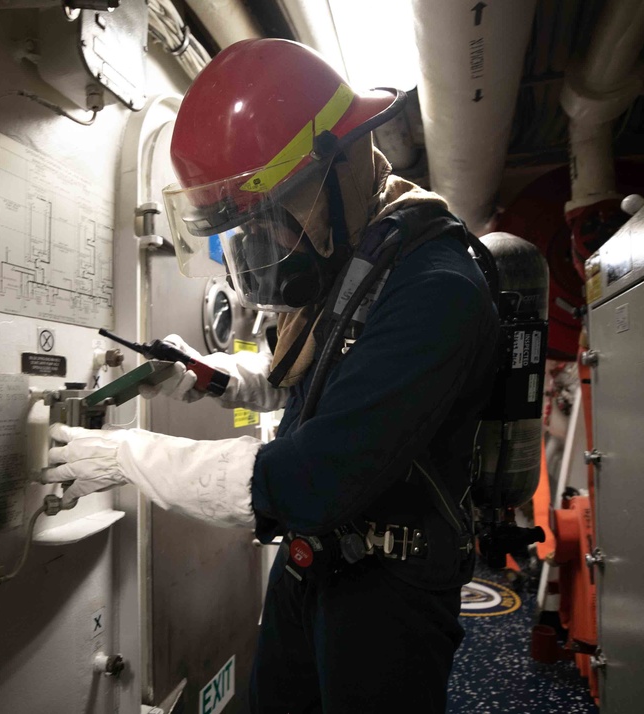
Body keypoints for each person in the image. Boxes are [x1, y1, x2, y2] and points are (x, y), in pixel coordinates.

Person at [43, 38, 499, 714]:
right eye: (244, 231)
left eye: (265, 220)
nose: (259, 251)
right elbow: (315, 382)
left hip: (387, 589)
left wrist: (126, 457)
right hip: (312, 563)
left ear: (334, 176)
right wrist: (215, 374)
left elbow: (308, 479)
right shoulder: (357, 262)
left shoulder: (436, 289)